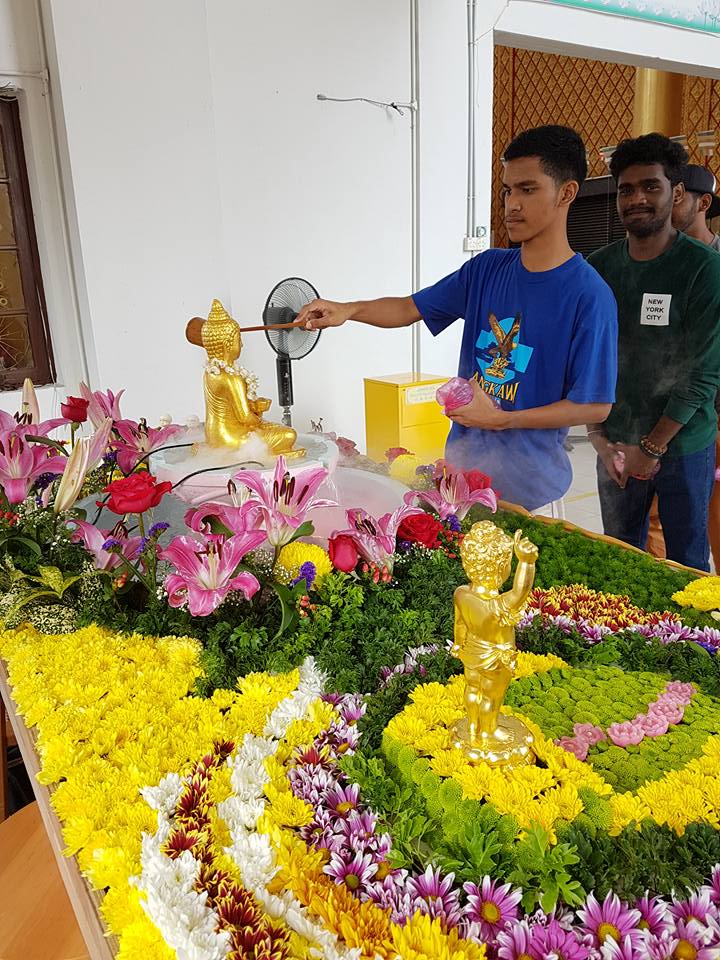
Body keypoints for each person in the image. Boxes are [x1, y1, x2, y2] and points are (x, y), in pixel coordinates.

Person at [297, 125, 618, 512]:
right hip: (460, 483)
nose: (512, 204)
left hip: (531, 493)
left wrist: (501, 419)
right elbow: (408, 308)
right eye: (508, 190)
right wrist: (348, 310)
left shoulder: (589, 295)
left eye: (527, 189)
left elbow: (594, 406)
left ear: (566, 193)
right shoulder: (486, 269)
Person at [586, 135, 720, 571]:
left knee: (686, 566)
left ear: (676, 192)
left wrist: (650, 447)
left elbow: (702, 374)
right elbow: (589, 357)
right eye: (626, 189)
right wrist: (599, 437)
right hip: (616, 443)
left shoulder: (703, 268)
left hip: (683, 445)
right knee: (619, 559)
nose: (637, 199)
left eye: (650, 186)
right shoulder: (599, 269)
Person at [646, 164, 720, 562]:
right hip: (658, 418)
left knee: (705, 521)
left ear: (702, 203)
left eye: (676, 197)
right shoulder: (656, 262)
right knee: (655, 524)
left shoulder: (714, 265)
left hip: (707, 416)